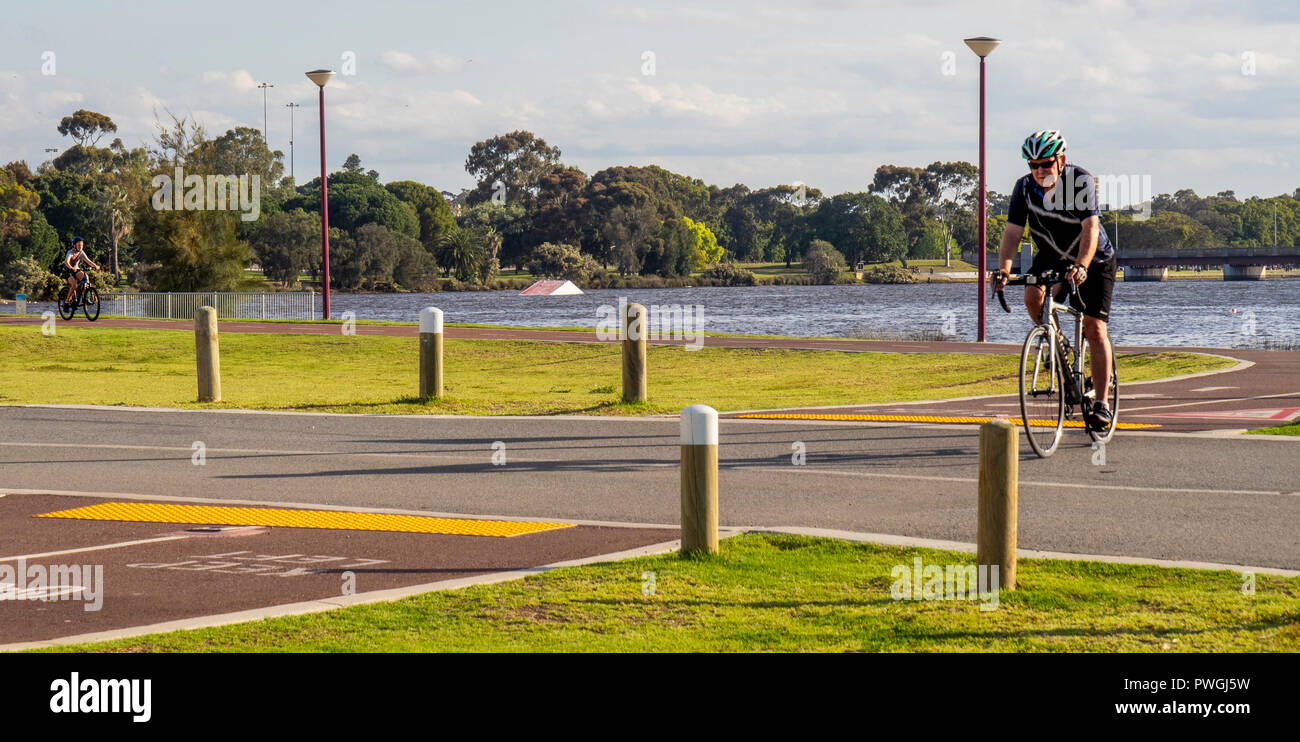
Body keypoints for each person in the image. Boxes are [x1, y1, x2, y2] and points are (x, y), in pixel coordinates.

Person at [992, 130, 1117, 430]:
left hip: (1094, 258)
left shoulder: (1080, 182)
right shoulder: (1023, 189)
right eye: (1033, 165)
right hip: (1052, 254)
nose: (1039, 171)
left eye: (1045, 164)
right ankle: (1056, 342)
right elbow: (1012, 233)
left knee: (1094, 327)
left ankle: (1101, 402)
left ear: (1061, 160)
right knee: (1032, 298)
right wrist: (1004, 270)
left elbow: (1090, 227)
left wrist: (1083, 265)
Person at [61, 237, 101, 307]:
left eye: (82, 245)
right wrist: (71, 268)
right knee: (74, 285)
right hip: (68, 271)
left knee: (86, 277)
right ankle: (66, 301)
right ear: (74, 245)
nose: (80, 247)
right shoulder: (70, 252)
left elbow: (89, 261)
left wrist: (95, 266)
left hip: (76, 270)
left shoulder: (81, 252)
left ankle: (86, 298)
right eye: (79, 245)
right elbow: (66, 262)